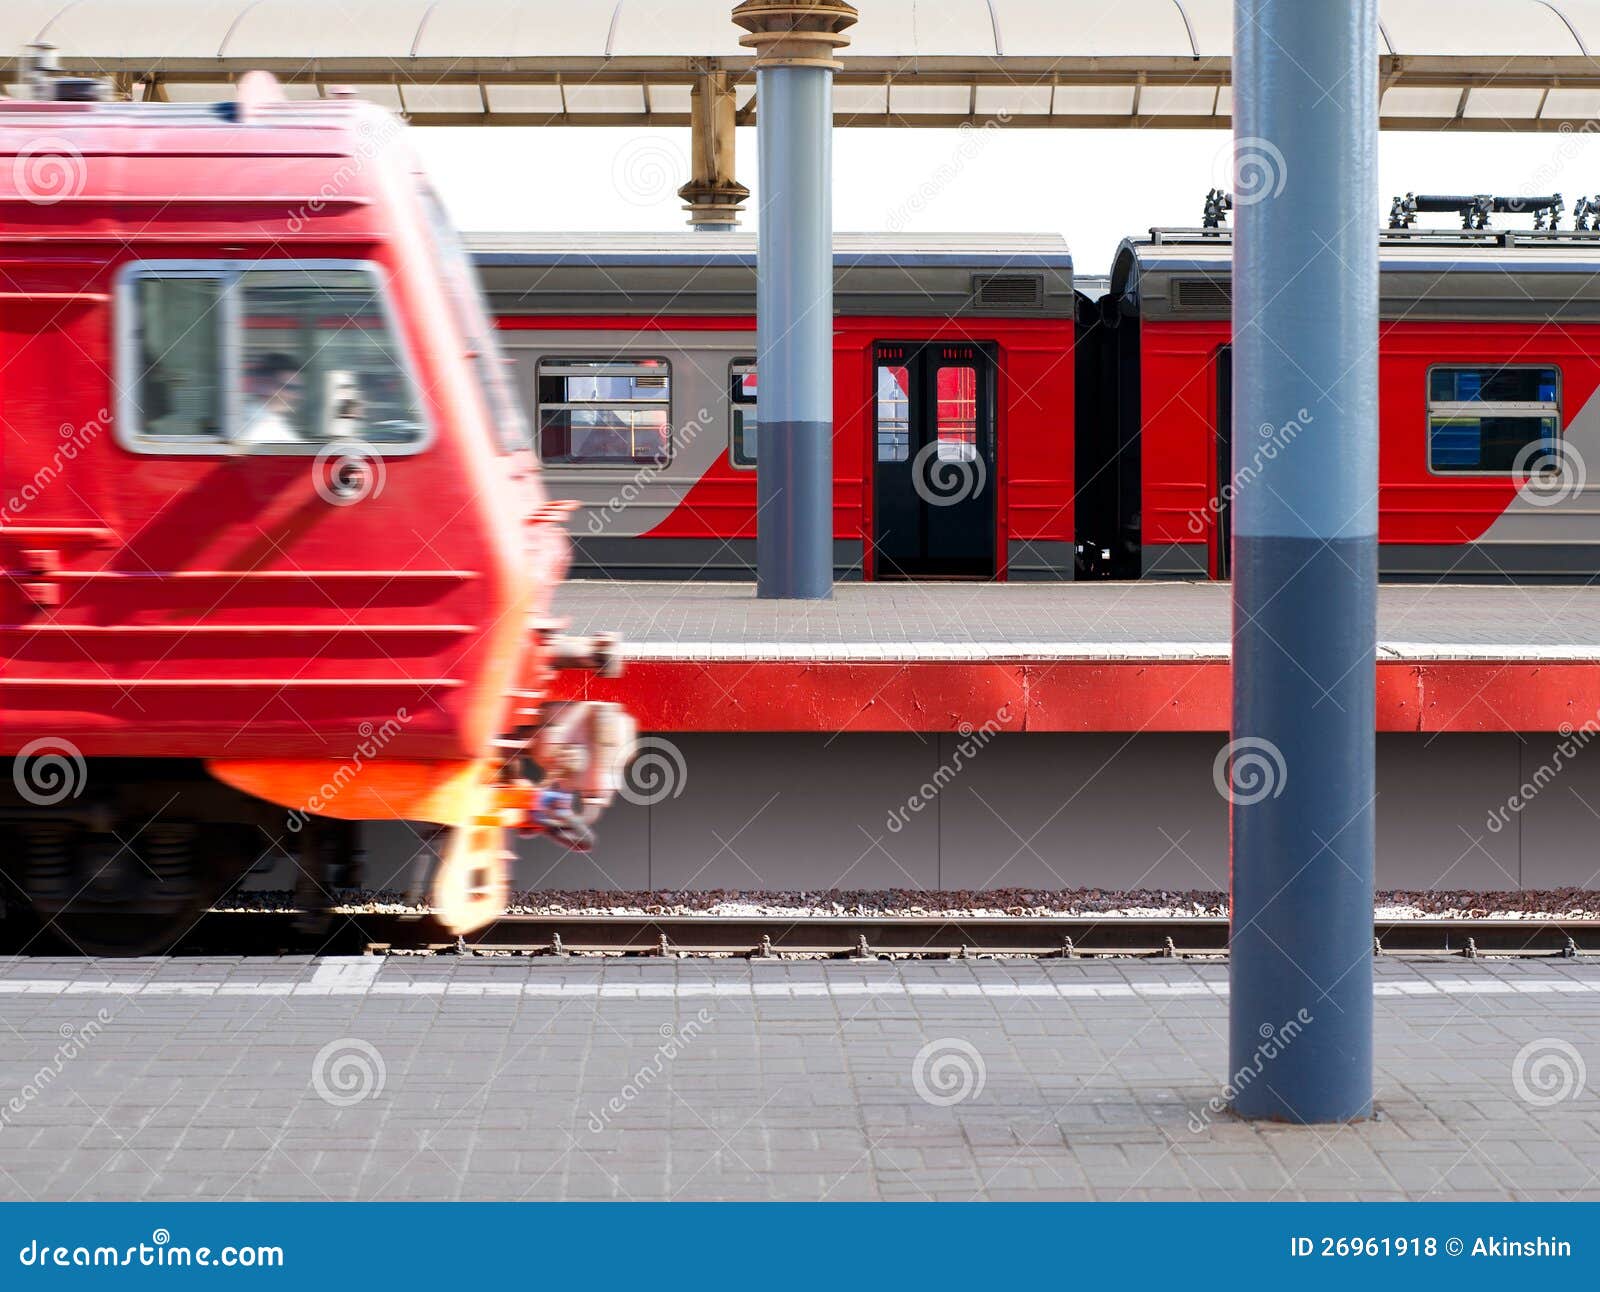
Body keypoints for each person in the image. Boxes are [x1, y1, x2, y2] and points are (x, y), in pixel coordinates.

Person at [238, 351, 305, 444]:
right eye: (290, 387)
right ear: (266, 385)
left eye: (298, 388)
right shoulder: (258, 427)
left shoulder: (273, 422)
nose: (297, 396)